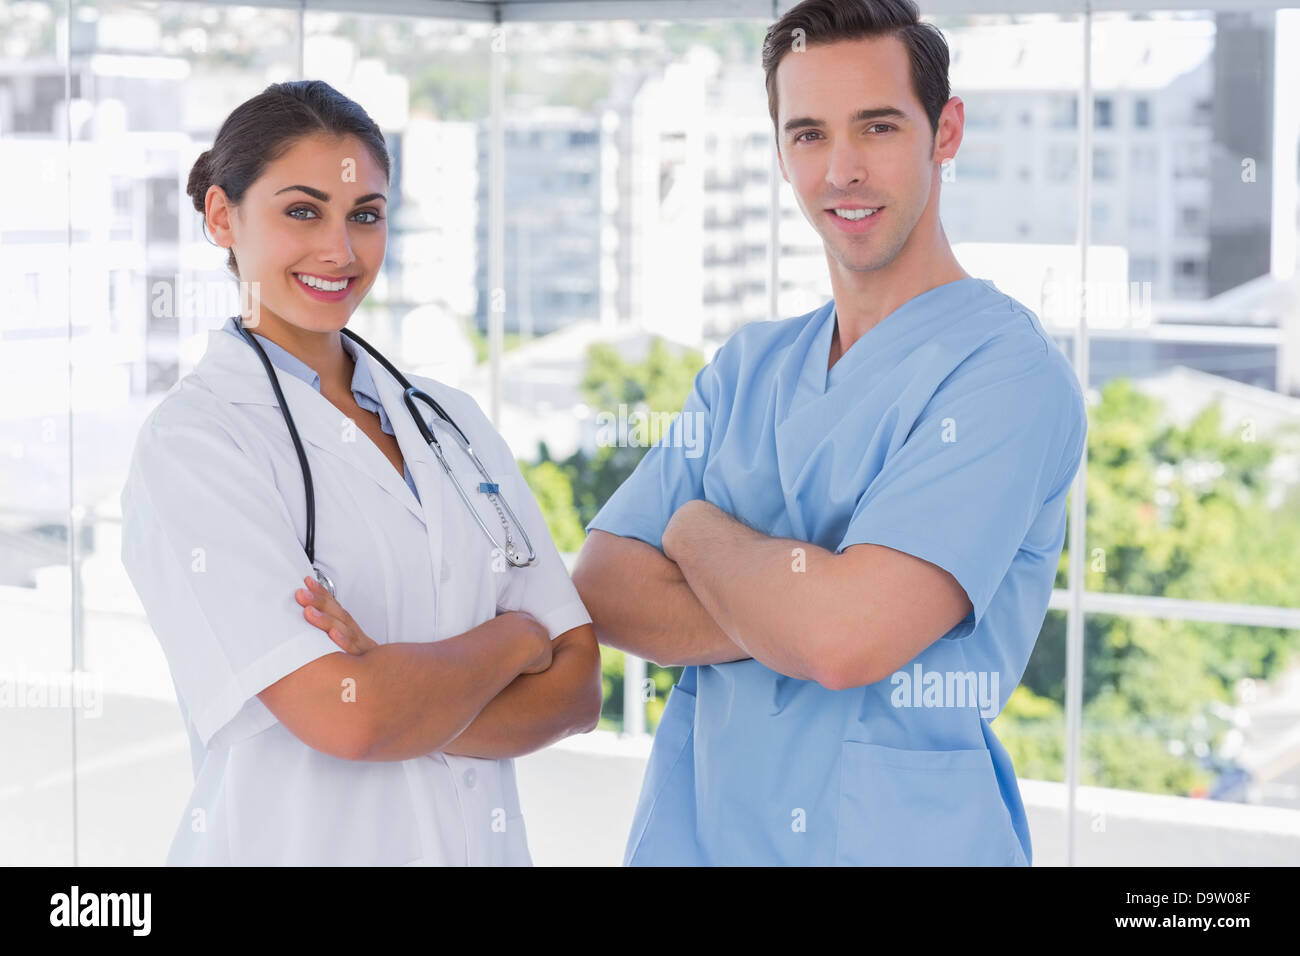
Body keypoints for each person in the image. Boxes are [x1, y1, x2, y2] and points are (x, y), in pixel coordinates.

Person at [573, 0, 1088, 866]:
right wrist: (806, 606)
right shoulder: (749, 368)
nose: (842, 170)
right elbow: (606, 585)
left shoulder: (1008, 376)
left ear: (945, 131)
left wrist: (694, 529)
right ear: (781, 151)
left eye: (877, 127)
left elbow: (845, 643)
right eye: (809, 134)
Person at [120, 80, 601, 866]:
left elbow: (579, 689)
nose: (340, 252)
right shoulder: (196, 445)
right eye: (301, 211)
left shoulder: (448, 422)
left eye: (365, 216)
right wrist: (515, 641)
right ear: (220, 216)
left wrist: (399, 691)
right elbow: (352, 719)